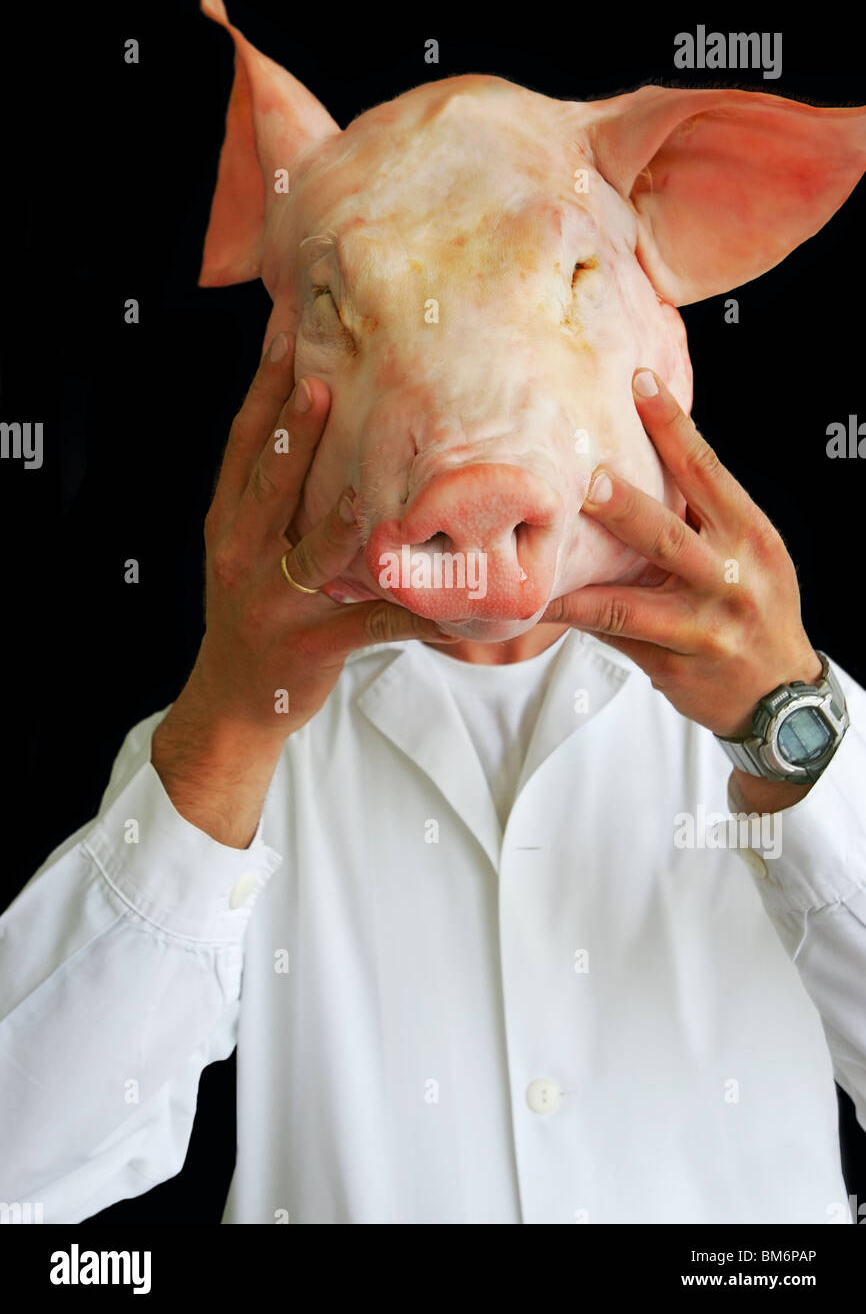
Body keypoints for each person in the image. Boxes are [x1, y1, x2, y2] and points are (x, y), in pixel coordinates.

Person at [1, 336, 863, 1225]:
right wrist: (225, 726)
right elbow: (18, 1170)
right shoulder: (232, 748)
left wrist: (786, 728)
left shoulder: (784, 712)